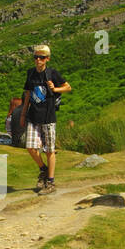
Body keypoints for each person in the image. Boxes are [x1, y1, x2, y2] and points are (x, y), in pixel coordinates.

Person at [21, 44, 71, 194]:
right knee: (30, 146)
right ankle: (44, 169)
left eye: (41, 58)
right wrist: (23, 114)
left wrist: (55, 89)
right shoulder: (30, 74)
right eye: (36, 57)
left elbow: (68, 87)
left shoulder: (52, 73)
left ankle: (50, 182)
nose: (38, 60)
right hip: (33, 115)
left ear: (47, 59)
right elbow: (28, 95)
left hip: (48, 116)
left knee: (49, 150)